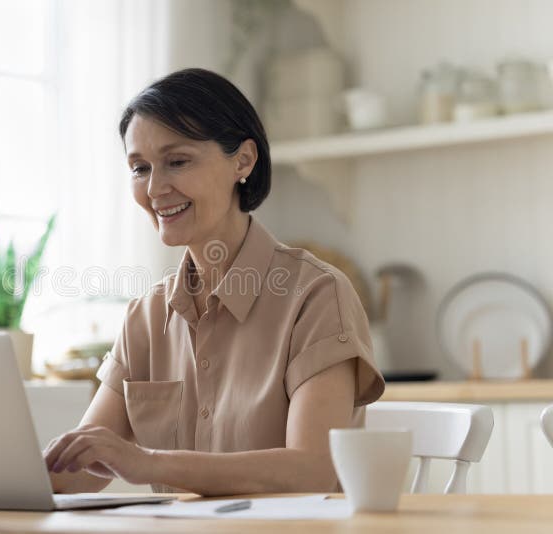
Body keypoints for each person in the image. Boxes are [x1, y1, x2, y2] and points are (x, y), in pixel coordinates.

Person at [43, 68, 384, 496]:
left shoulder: (316, 297)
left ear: (243, 160)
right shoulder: (146, 316)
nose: (155, 188)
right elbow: (80, 470)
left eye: (177, 161)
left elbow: (311, 470)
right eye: (140, 168)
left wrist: (149, 462)